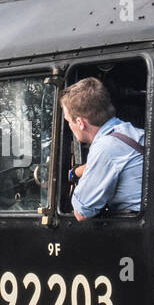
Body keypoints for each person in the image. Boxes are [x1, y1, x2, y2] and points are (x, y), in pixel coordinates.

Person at [60, 77, 145, 220]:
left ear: (80, 123)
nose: (69, 125)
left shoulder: (105, 148)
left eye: (68, 121)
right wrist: (75, 172)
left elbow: (82, 212)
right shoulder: (133, 132)